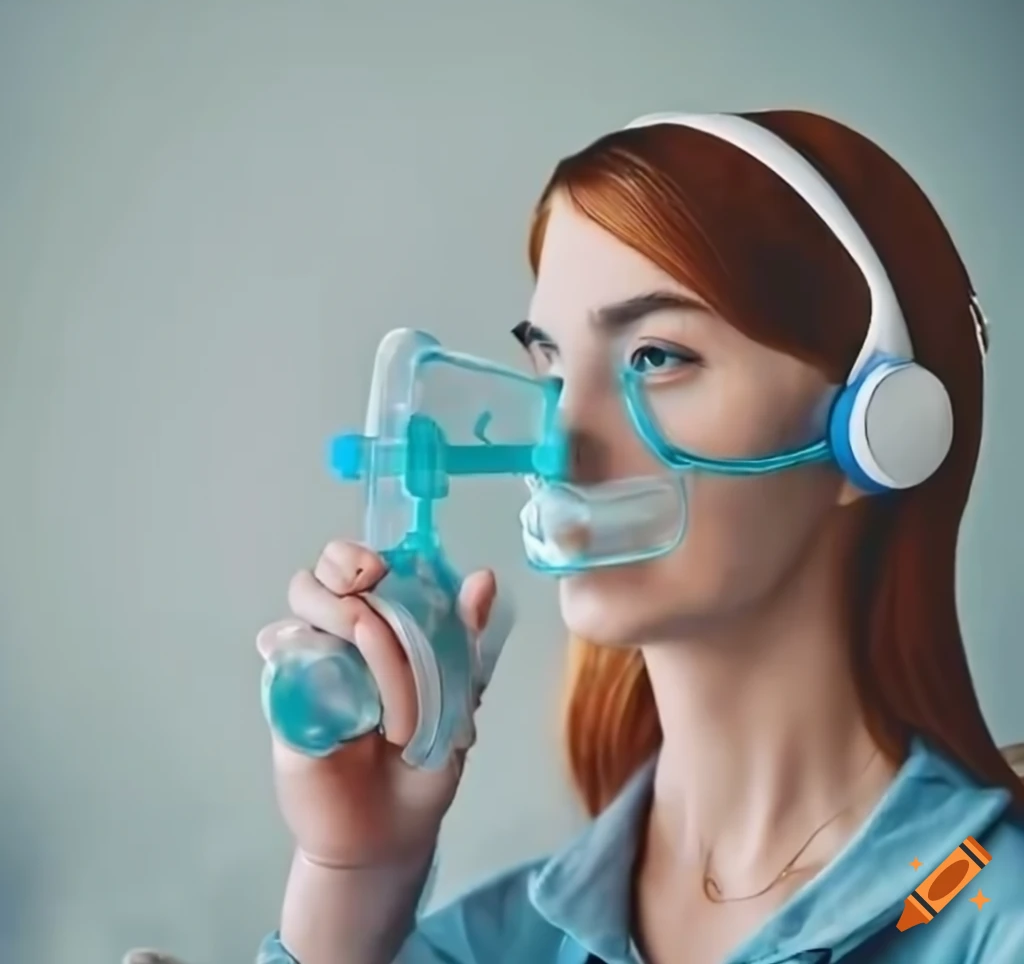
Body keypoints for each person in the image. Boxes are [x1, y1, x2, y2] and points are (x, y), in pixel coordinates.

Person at [253, 111, 1024, 964]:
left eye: (656, 356)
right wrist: (352, 880)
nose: (560, 441)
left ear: (878, 430)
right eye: (550, 362)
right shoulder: (504, 944)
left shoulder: (992, 924)